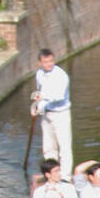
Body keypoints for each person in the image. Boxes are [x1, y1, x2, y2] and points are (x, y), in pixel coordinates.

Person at [31, 49, 73, 179]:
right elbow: (38, 92)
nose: (49, 64)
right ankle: (51, 173)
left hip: (61, 114)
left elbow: (59, 96)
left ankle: (65, 176)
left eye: (51, 61)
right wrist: (35, 107)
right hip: (46, 114)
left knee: (64, 147)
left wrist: (42, 97)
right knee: (48, 146)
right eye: (46, 62)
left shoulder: (61, 76)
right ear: (40, 63)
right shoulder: (39, 74)